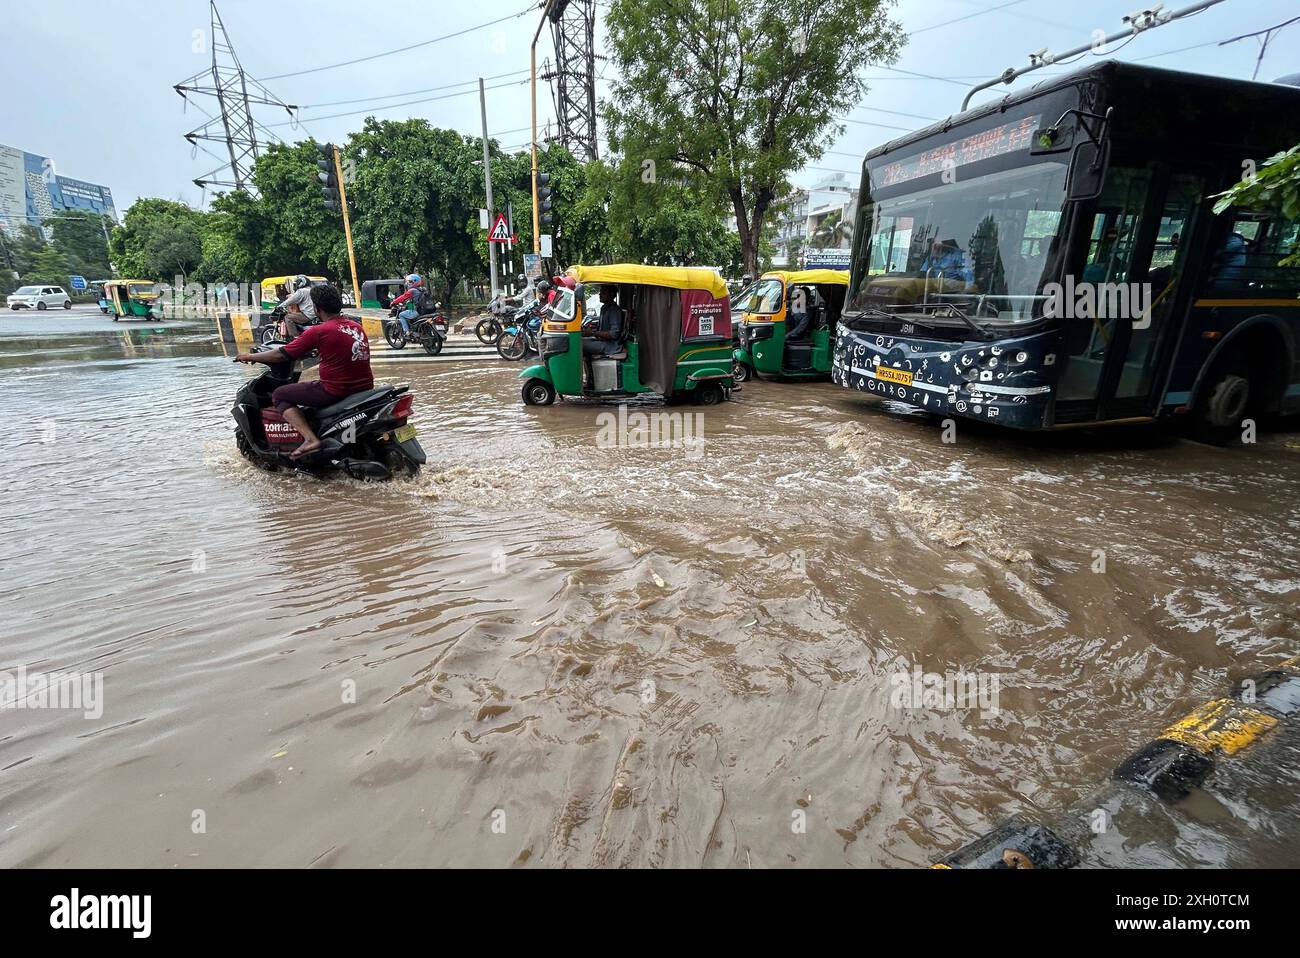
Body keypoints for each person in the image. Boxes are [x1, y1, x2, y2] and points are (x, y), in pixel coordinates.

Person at [233, 284, 373, 460]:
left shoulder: (319, 331)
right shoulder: (355, 327)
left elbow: (281, 354)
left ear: (317, 308)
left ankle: (310, 439)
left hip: (335, 390)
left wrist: (251, 356)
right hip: (364, 388)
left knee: (280, 394)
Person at [582, 284, 624, 356]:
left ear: (611, 294)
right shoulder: (604, 308)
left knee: (579, 344)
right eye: (600, 292)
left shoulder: (614, 310)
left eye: (603, 292)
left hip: (611, 345)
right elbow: (600, 328)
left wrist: (593, 333)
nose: (600, 294)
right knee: (578, 340)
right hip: (602, 340)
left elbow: (614, 334)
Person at [388, 274, 433, 338]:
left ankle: (407, 332)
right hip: (428, 310)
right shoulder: (423, 289)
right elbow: (419, 299)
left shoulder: (412, 291)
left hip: (418, 311)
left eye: (410, 282)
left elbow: (403, 297)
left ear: (414, 282)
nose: (408, 283)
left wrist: (393, 302)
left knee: (401, 315)